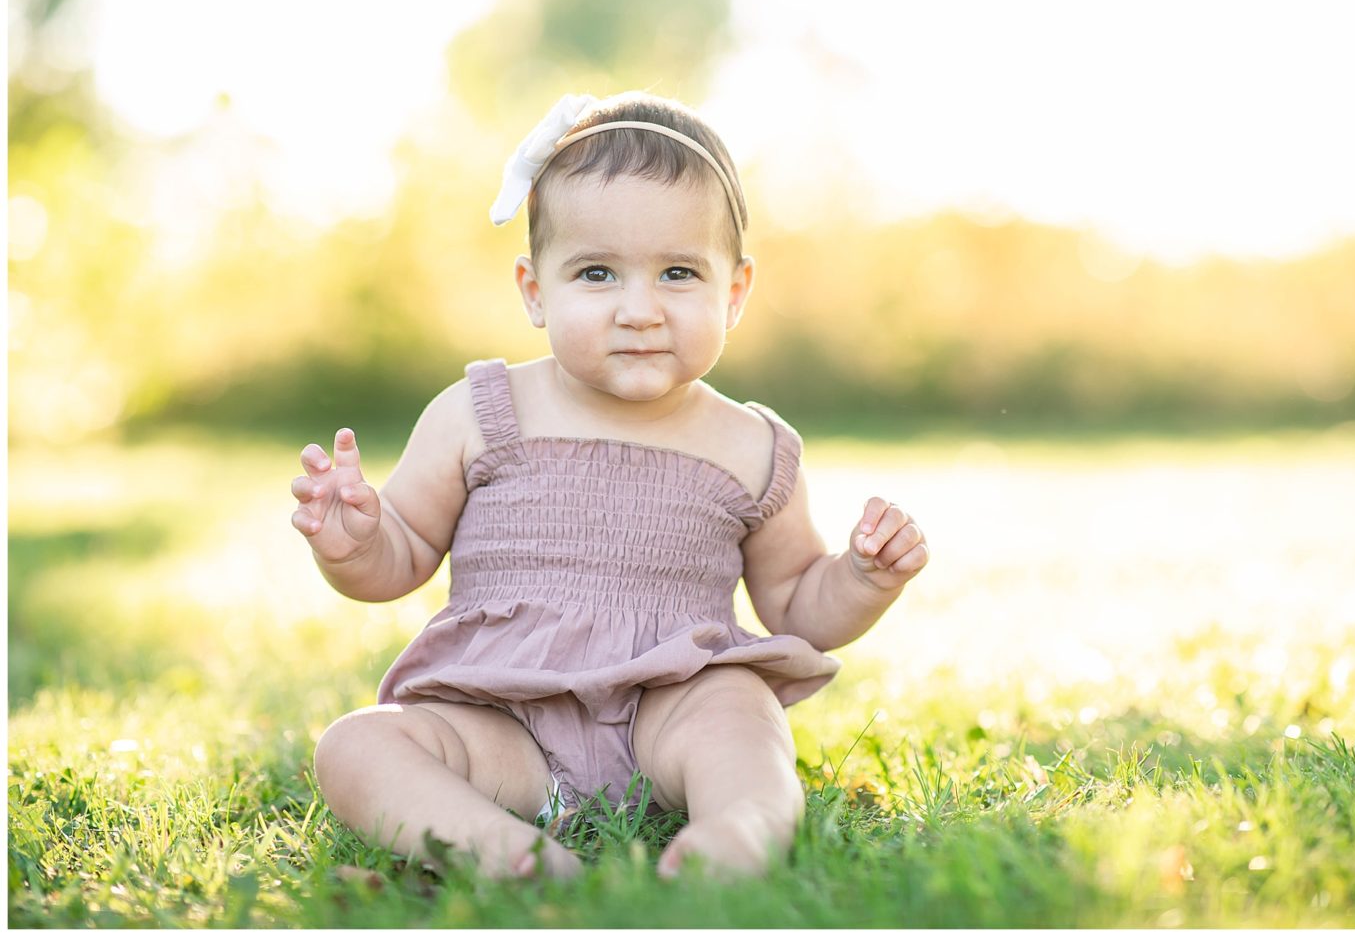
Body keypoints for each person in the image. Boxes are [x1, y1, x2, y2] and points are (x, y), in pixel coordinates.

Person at [293, 91, 929, 881]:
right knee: (356, 743)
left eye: (678, 273)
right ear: (535, 290)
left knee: (743, 710)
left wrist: (863, 577)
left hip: (673, 713)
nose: (639, 310)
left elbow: (797, 603)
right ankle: (505, 850)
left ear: (734, 292)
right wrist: (356, 542)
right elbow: (405, 550)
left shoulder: (751, 445)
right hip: (502, 719)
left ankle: (738, 826)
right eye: (597, 272)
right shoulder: (480, 412)